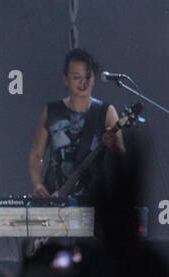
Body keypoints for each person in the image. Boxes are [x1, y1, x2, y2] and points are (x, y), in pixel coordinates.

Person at [28, 48, 125, 200]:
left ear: (93, 79)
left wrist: (114, 146)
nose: (83, 82)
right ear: (66, 79)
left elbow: (123, 159)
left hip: (94, 200)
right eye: (76, 77)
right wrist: (37, 184)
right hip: (55, 197)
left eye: (87, 77)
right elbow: (36, 154)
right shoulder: (52, 111)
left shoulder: (106, 112)